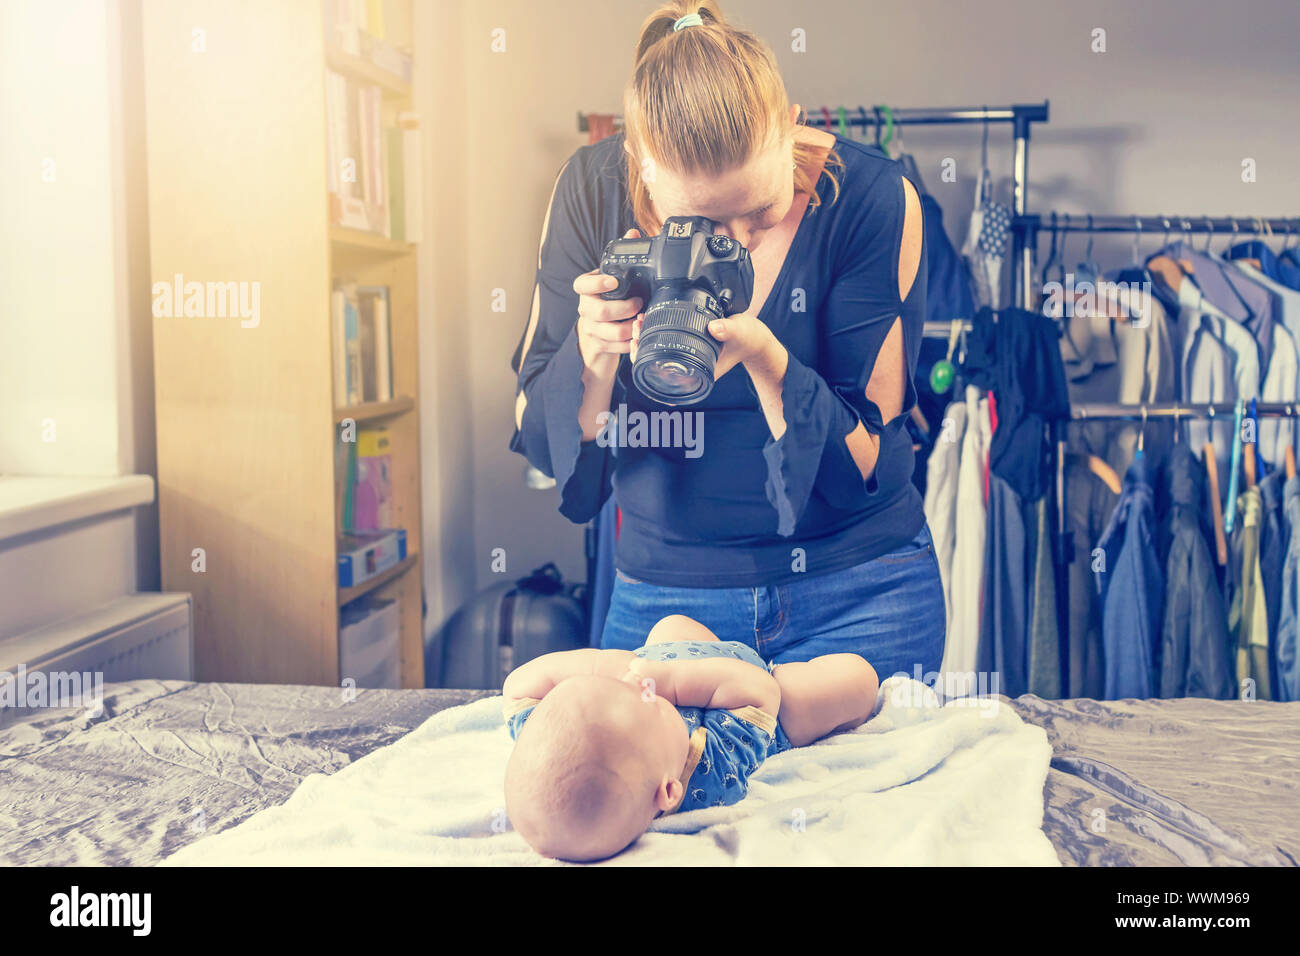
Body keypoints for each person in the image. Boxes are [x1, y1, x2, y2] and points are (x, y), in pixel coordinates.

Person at [509, 0, 944, 685]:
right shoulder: (591, 190)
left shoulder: (874, 198)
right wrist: (592, 357)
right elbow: (542, 444)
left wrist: (771, 365)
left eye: (762, 213)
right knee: (657, 788)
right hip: (667, 597)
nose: (737, 242)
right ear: (641, 165)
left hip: (859, 594)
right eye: (704, 224)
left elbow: (868, 461)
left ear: (789, 124)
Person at [502, 613, 879, 861]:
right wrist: (670, 682)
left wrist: (605, 668)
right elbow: (758, 691)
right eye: (650, 704)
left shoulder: (554, 736)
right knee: (858, 679)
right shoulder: (706, 773)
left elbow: (517, 685)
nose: (644, 693)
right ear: (668, 792)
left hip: (678, 653)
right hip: (749, 695)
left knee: (671, 624)